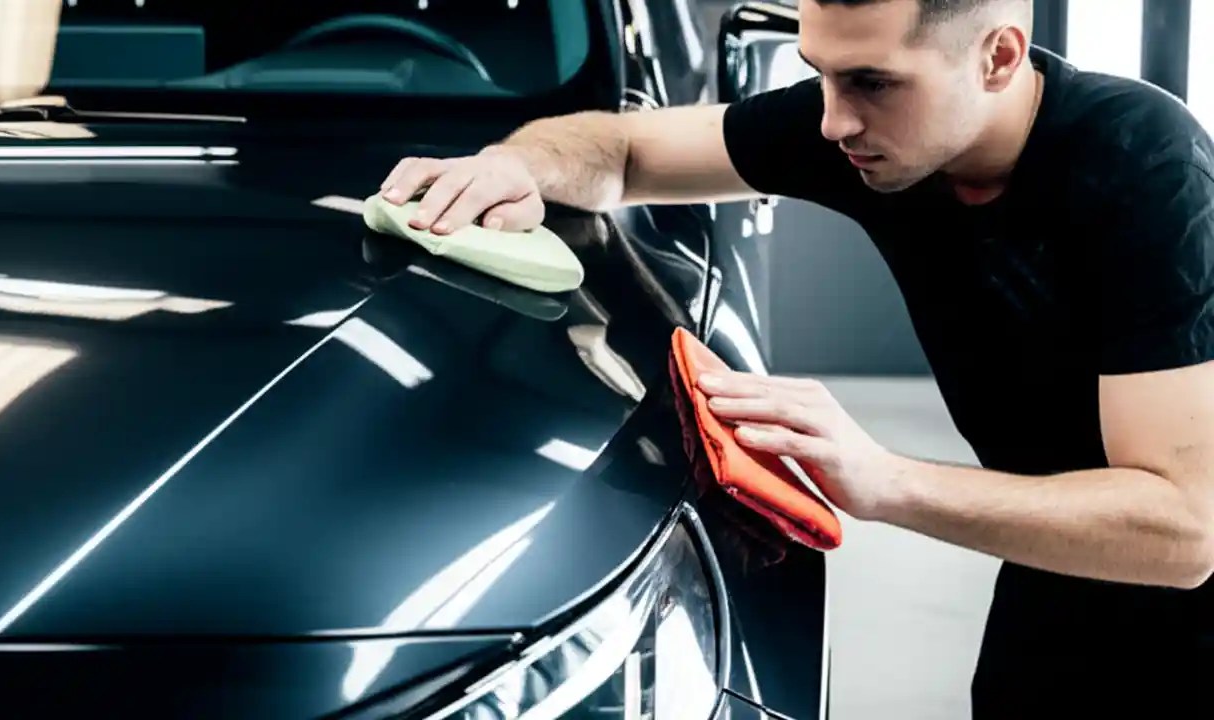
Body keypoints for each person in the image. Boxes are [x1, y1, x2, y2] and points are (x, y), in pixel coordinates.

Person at [379, 0, 1214, 715]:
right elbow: (623, 148)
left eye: (873, 83)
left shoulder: (1144, 163)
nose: (833, 121)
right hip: (1053, 566)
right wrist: (511, 166)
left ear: (997, 57)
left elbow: (1181, 532)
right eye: (822, 73)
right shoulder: (868, 129)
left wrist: (885, 480)